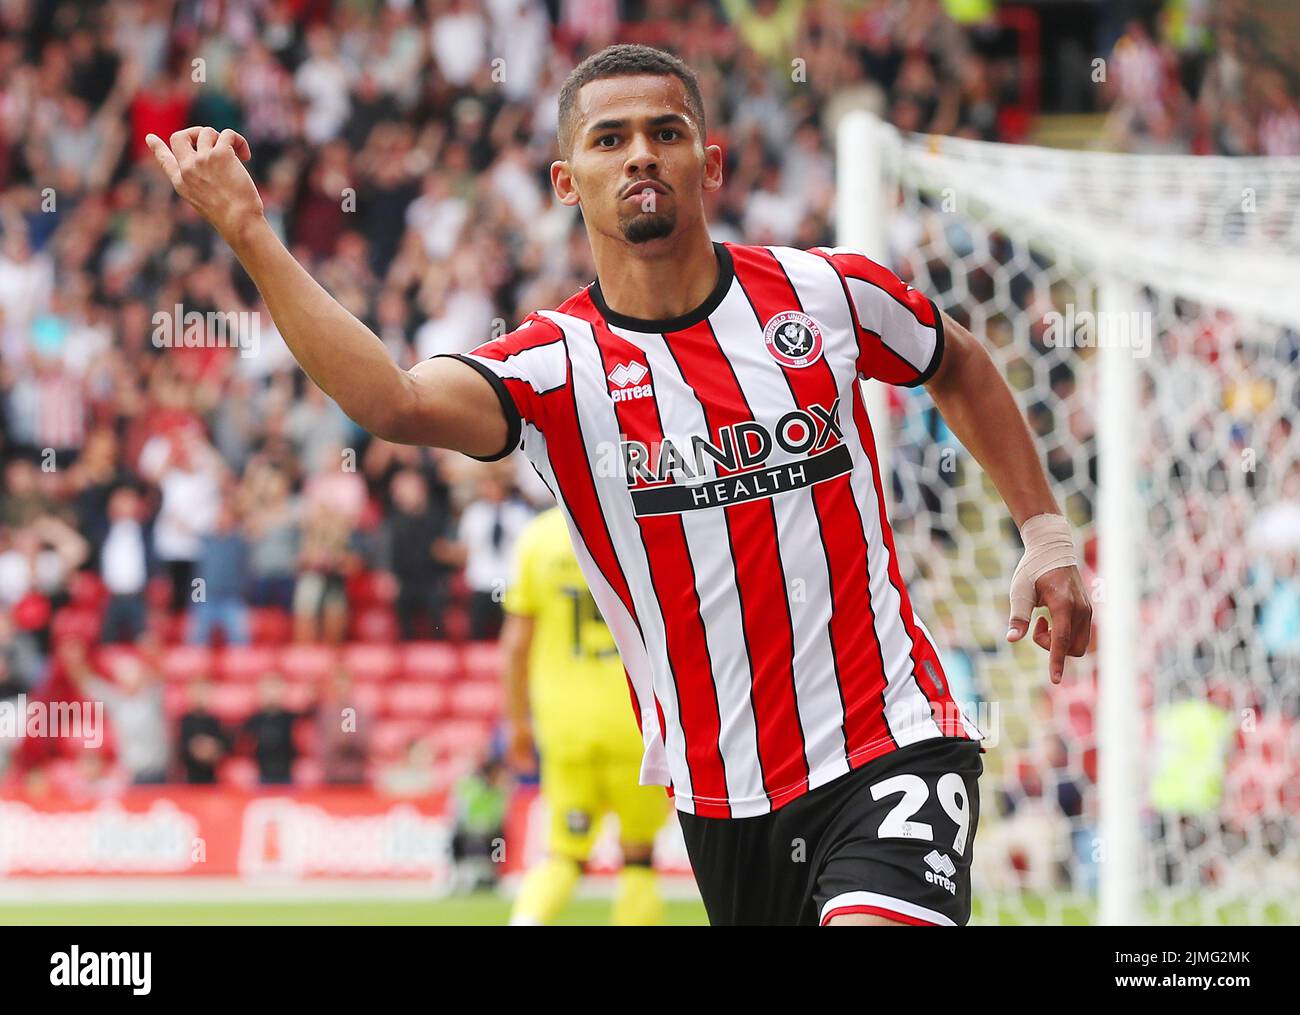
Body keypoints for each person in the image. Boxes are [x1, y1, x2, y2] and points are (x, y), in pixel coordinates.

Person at [146, 43, 1092, 926]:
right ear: (568, 182)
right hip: (722, 796)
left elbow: (955, 361)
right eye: (610, 139)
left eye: (666, 133)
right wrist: (249, 233)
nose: (641, 155)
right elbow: (393, 402)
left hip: (893, 743)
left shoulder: (826, 295)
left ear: (709, 163)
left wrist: (1044, 531)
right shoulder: (555, 369)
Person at [502, 507, 668, 925]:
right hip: (638, 722)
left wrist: (516, 721)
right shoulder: (645, 524)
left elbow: (515, 646)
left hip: (565, 723)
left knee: (564, 852)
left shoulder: (539, 538)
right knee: (639, 859)